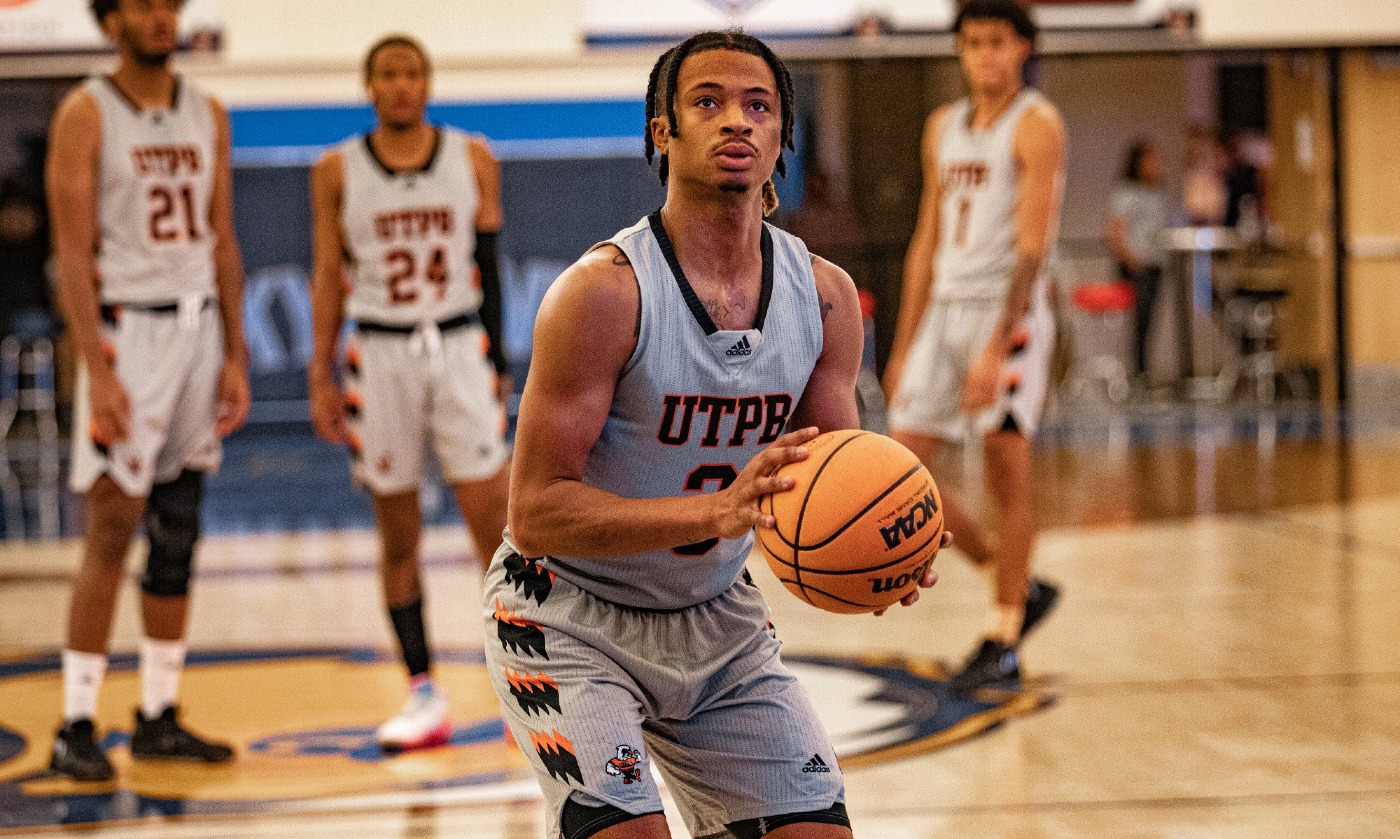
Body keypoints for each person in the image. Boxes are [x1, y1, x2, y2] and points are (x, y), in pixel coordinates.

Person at [485, 31, 940, 839]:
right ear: (663, 131)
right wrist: (717, 514)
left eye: (758, 105)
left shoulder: (825, 298)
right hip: (566, 613)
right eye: (708, 102)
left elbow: (840, 473)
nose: (737, 121)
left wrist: (886, 549)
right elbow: (536, 513)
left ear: (781, 137)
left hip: (716, 614)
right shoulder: (602, 293)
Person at [46, 0, 250, 781]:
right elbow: (71, 254)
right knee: (111, 524)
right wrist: (95, 372)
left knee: (179, 527)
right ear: (110, 21)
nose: (160, 17)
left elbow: (222, 238)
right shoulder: (85, 111)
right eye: (143, 5)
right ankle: (74, 721)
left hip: (198, 328)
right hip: (127, 334)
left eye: (169, 4)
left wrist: (234, 351)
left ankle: (158, 712)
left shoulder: (209, 111)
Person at [308, 34, 511, 753]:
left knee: (500, 529)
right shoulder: (335, 169)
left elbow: (488, 259)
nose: (401, 85)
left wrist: (502, 358)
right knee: (400, 536)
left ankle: (524, 680)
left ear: (428, 82)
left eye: (413, 72)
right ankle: (423, 689)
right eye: (388, 73)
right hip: (381, 352)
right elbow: (327, 272)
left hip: (457, 344)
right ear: (370, 85)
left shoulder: (472, 156)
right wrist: (319, 372)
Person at [883, 0, 1065, 694]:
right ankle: (1009, 572)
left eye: (997, 42)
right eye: (972, 43)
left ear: (1023, 48)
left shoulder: (1037, 124)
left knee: (1003, 464)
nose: (984, 55)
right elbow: (925, 239)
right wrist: (904, 340)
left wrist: (998, 347)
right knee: (901, 464)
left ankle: (1005, 632)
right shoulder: (943, 127)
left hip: (1006, 310)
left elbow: (1032, 249)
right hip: (944, 312)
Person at [1106, 138, 1169, 388]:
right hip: (1136, 264)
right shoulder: (1125, 191)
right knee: (1139, 320)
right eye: (1150, 159)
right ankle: (1138, 373)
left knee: (1151, 318)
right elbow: (1115, 229)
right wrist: (1130, 259)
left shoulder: (1156, 192)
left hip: (1156, 261)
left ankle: (1146, 370)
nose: (1156, 164)